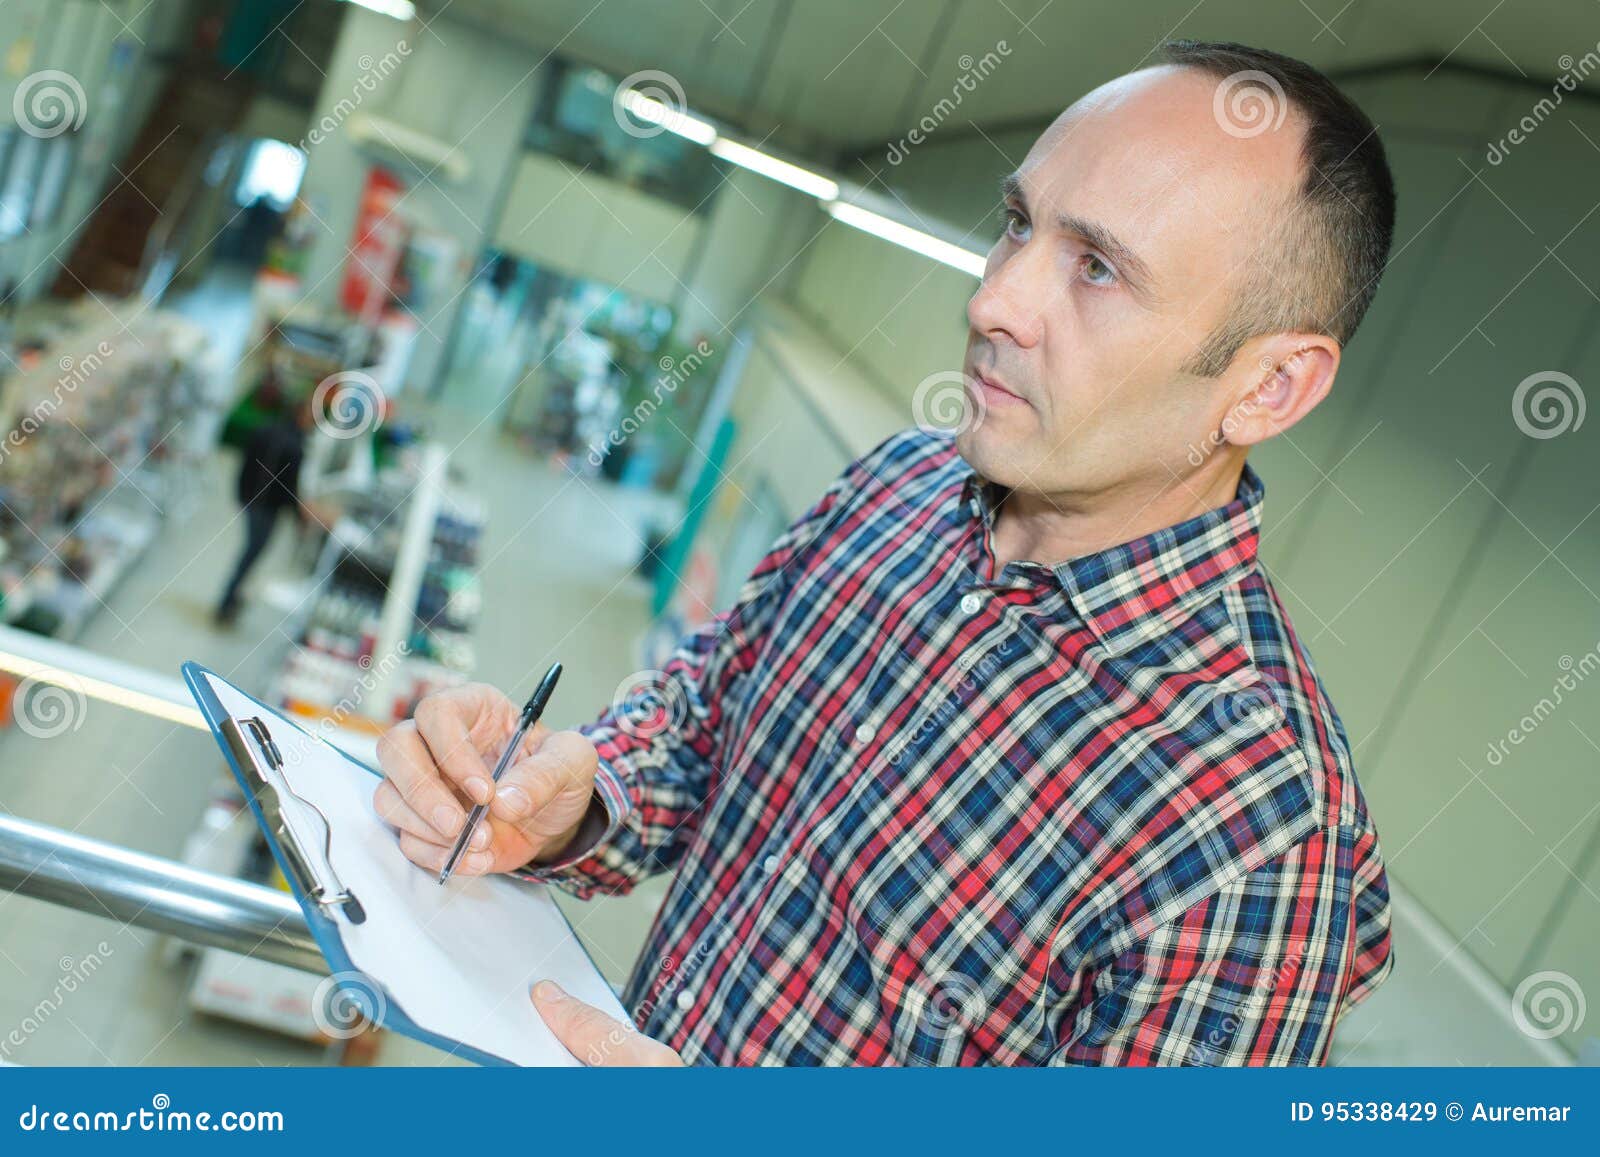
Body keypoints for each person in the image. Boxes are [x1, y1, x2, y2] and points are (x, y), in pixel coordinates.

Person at [374, 39, 1397, 1066]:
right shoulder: (900, 486)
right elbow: (709, 716)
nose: (991, 301)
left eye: (1096, 267)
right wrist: (577, 792)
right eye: (1015, 226)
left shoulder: (1260, 833)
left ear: (1268, 387)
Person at [214, 395, 311, 627]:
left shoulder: (264, 430)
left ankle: (230, 599)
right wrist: (301, 516)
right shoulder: (295, 446)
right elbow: (289, 487)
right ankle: (227, 602)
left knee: (250, 553)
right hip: (267, 509)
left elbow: (245, 464)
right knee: (251, 555)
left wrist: (241, 494)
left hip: (252, 502)